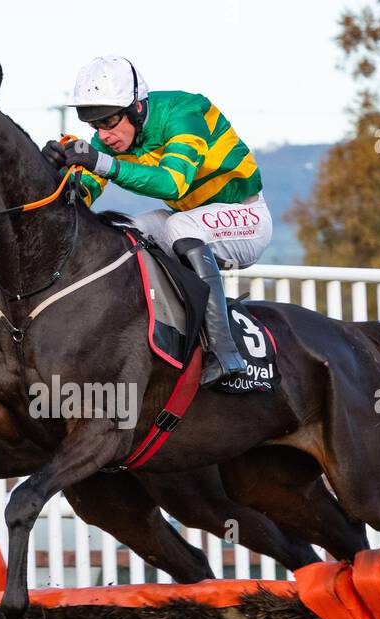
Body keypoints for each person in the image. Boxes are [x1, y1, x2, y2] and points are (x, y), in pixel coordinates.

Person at [42, 56, 270, 385]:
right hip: (193, 220)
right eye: (95, 127)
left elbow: (172, 182)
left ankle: (225, 351)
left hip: (248, 220)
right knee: (125, 234)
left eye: (108, 122)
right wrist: (55, 171)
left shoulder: (185, 112)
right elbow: (83, 195)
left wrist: (101, 163)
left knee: (179, 227)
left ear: (136, 106)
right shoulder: (111, 138)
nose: (103, 136)